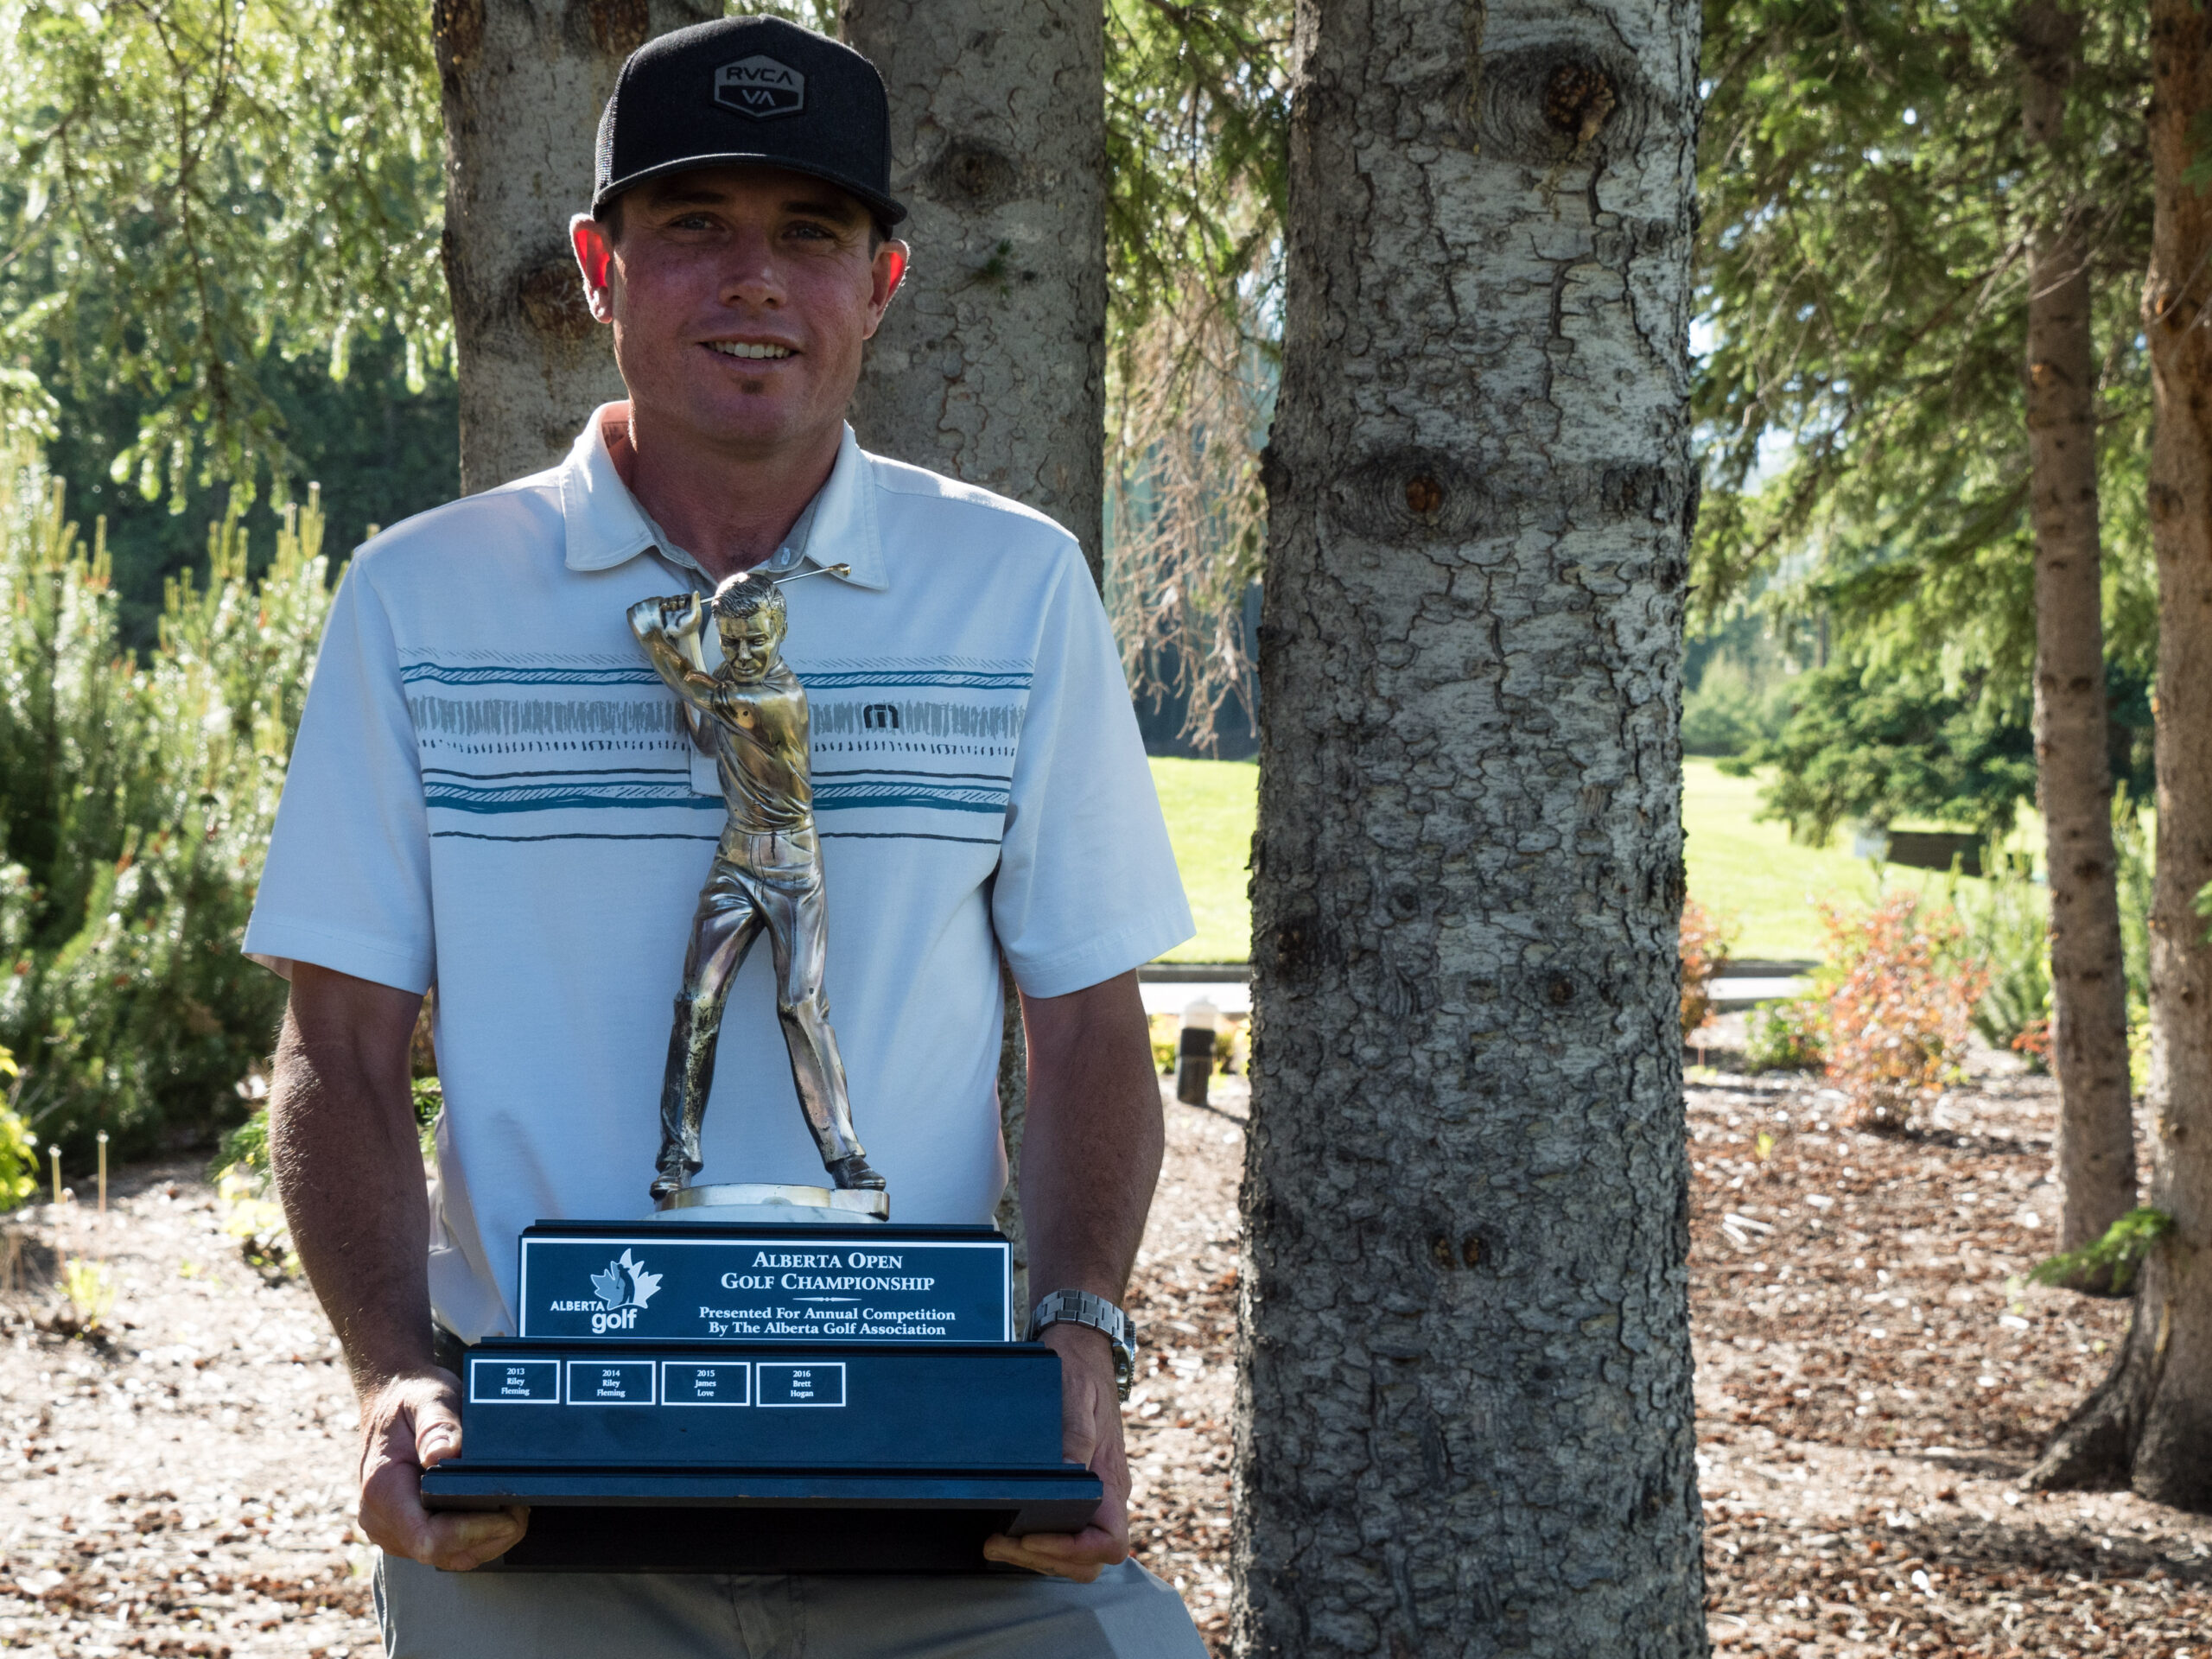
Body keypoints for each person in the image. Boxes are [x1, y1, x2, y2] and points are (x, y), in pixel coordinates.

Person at [246, 15, 1205, 1656]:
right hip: (537, 1497)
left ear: (881, 285)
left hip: (946, 1478)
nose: (754, 278)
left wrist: (1077, 1333)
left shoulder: (1015, 588)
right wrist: (393, 1372)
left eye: (810, 232)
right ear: (598, 269)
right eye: (694, 225)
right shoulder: (419, 602)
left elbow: (1089, 1024)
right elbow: (336, 1045)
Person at [626, 575, 882, 1201]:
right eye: (731, 641)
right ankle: (677, 1156)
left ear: (781, 632)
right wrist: (690, 638)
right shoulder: (732, 687)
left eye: (756, 641)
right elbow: (705, 732)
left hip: (793, 864)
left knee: (800, 1005)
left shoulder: (778, 697)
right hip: (737, 854)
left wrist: (655, 639)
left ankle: (846, 1156)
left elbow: (698, 691)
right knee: (697, 1001)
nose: (742, 654)